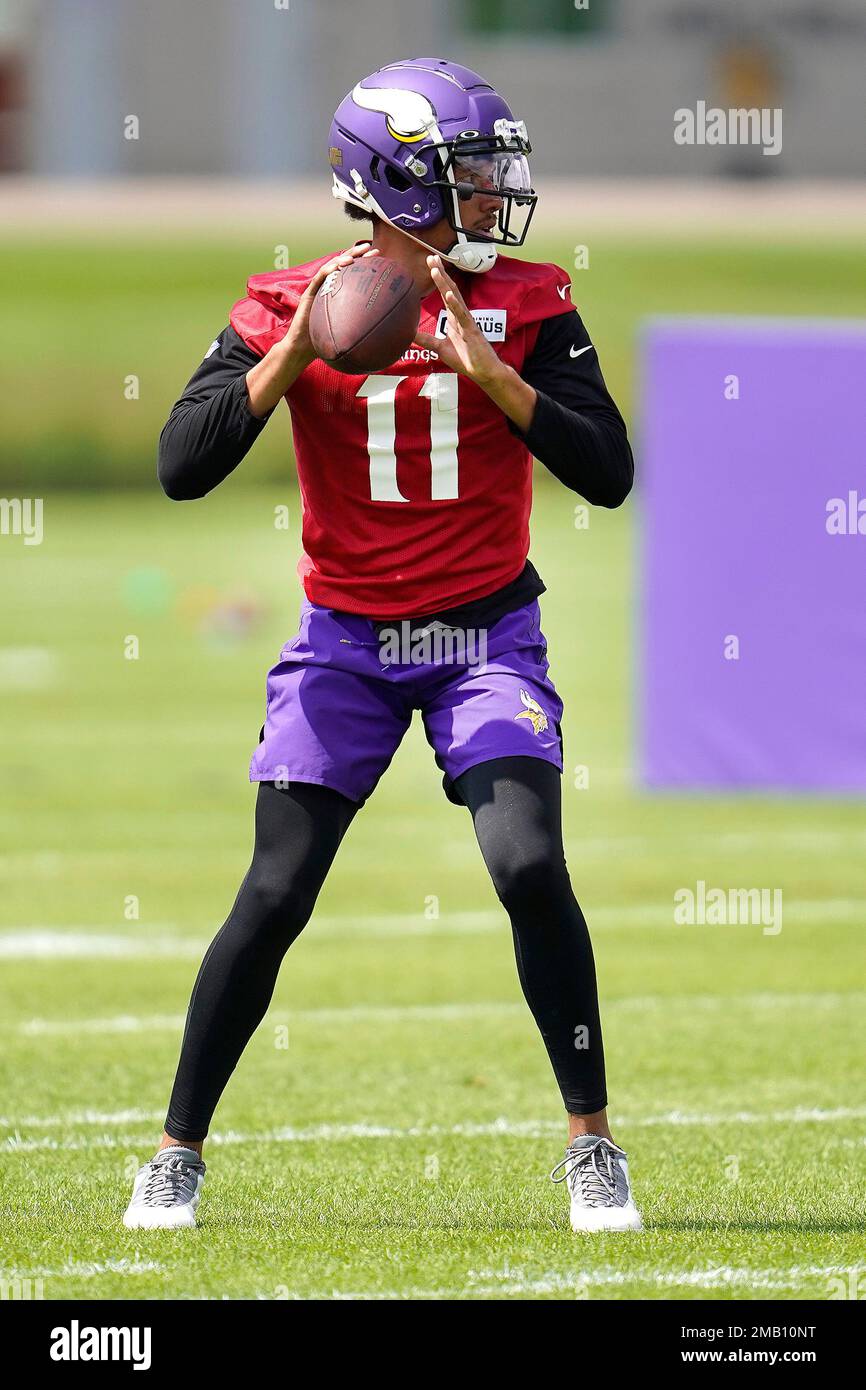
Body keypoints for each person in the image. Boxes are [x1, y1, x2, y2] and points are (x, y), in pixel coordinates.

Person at [123, 58, 639, 1234]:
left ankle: (591, 1142)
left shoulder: (530, 302)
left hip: (483, 634)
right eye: (470, 172)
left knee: (526, 863)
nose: (494, 190)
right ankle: (174, 1150)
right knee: (274, 888)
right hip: (346, 639)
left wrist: (495, 379)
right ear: (395, 183)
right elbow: (180, 466)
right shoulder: (292, 302)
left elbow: (608, 472)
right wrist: (292, 354)